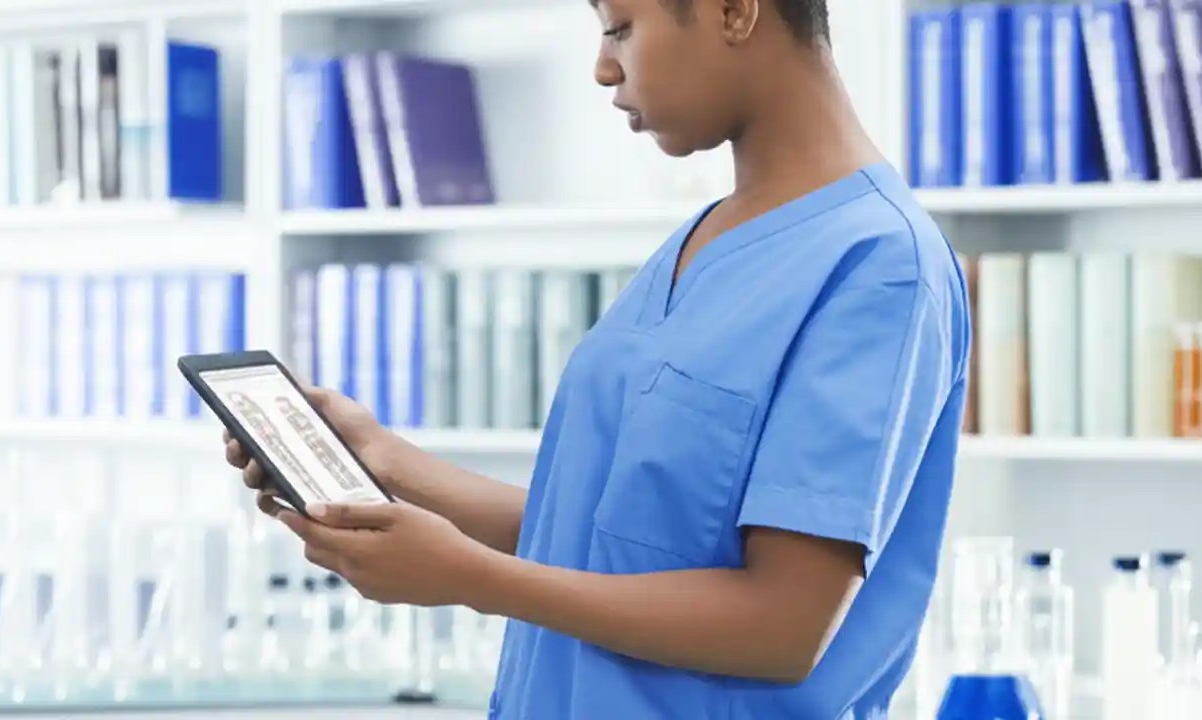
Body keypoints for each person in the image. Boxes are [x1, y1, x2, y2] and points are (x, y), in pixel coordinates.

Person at [225, 0, 970, 716]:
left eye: (620, 28)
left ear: (734, 10)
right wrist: (387, 463)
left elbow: (782, 625)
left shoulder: (880, 267)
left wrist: (469, 578)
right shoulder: (700, 241)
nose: (603, 70)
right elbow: (615, 535)